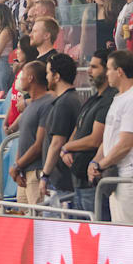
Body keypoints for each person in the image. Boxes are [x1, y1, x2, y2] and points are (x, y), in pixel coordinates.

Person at [88, 49, 133, 224]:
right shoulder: (119, 98)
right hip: (117, 173)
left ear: (120, 71)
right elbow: (109, 137)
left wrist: (101, 165)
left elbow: (125, 144)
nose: (106, 73)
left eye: (109, 69)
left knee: (128, 230)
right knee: (118, 229)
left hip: (131, 173)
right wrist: (96, 161)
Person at [61, 48, 116, 215]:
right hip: (78, 180)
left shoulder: (109, 100)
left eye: (94, 67)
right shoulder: (92, 99)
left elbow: (95, 139)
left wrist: (67, 147)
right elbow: (78, 128)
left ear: (108, 70)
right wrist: (66, 149)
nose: (89, 71)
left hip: (93, 183)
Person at [37, 53, 82, 208]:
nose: (46, 77)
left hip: (60, 183)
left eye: (49, 73)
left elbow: (57, 143)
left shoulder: (64, 104)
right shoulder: (72, 99)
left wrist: (45, 175)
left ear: (56, 77)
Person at [10, 61, 51, 206]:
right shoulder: (29, 106)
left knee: (37, 218)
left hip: (35, 173)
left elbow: (38, 144)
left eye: (23, 75)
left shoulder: (46, 104)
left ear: (31, 78)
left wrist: (17, 166)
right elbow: (23, 139)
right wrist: (18, 166)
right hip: (24, 173)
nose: (20, 79)